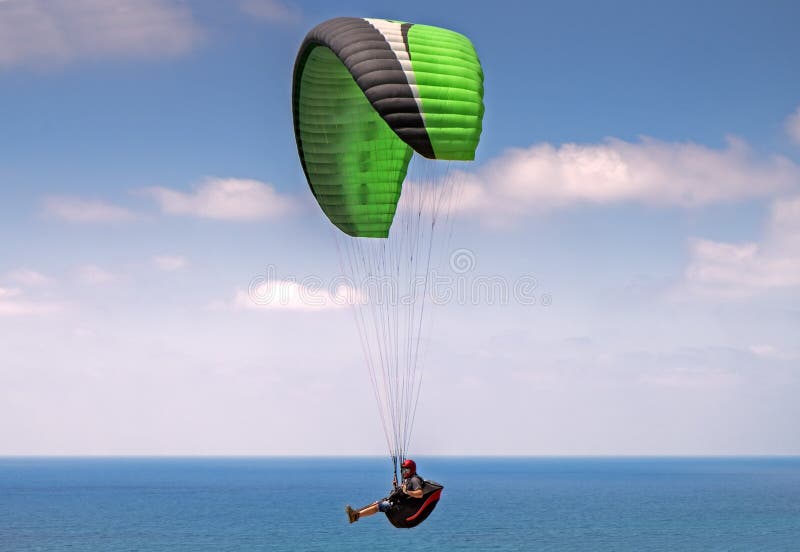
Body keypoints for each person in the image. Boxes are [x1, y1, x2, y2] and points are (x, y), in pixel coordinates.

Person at [345, 459, 424, 523]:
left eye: (407, 470)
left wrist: (407, 491)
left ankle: (356, 515)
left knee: (377, 506)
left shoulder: (415, 479)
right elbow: (403, 492)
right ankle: (355, 514)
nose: (404, 472)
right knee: (376, 503)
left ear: (411, 470)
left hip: (399, 507)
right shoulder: (409, 479)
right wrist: (396, 486)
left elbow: (420, 494)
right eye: (404, 470)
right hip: (397, 502)